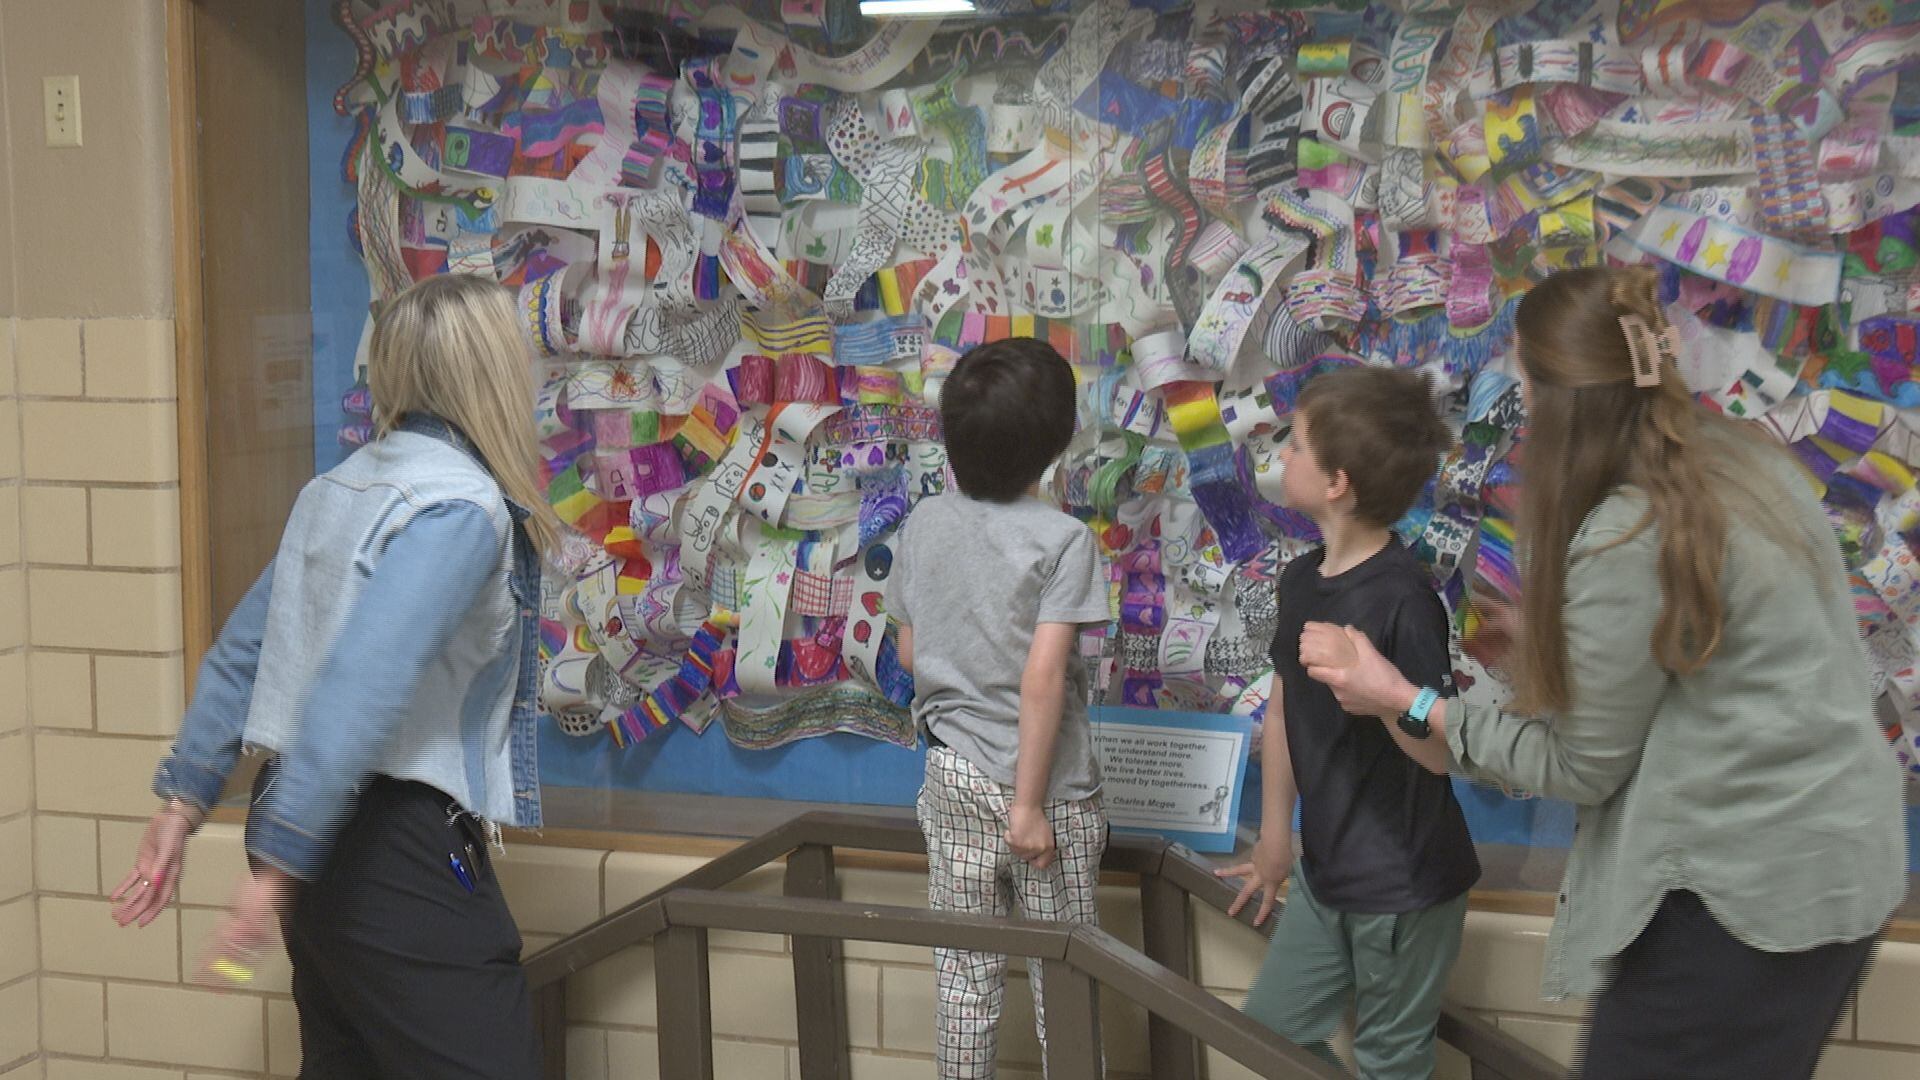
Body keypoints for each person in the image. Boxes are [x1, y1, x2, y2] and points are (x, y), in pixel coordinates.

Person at [1299, 264, 1907, 1080]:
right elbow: (1701, 654)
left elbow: (1577, 764)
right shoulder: (1743, 465)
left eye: (1521, 386)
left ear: (1558, 403)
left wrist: (1403, 700)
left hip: (1745, 901)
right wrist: (1550, 642)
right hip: (1838, 868)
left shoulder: (1628, 534)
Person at [110, 273, 563, 1079]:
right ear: (491, 376)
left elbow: (246, 653)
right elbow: (364, 681)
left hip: (310, 834)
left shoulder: (335, 490)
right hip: (384, 846)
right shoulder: (461, 507)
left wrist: (184, 805)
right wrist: (284, 862)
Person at [1216, 366, 1477, 1079]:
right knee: (1266, 1035)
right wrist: (1275, 842)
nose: (1282, 458)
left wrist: (1380, 695)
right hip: (1327, 875)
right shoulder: (1301, 581)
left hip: (1405, 886)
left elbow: (1440, 758)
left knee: (1391, 1062)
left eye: (1295, 446)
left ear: (1336, 483)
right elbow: (1283, 713)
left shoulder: (1405, 601)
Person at [889, 337, 1113, 1079]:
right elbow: (1044, 680)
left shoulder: (923, 525)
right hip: (1045, 793)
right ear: (1055, 445)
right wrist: (1026, 806)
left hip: (951, 776)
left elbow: (912, 656)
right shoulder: (1064, 540)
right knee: (1067, 977)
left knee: (963, 976)